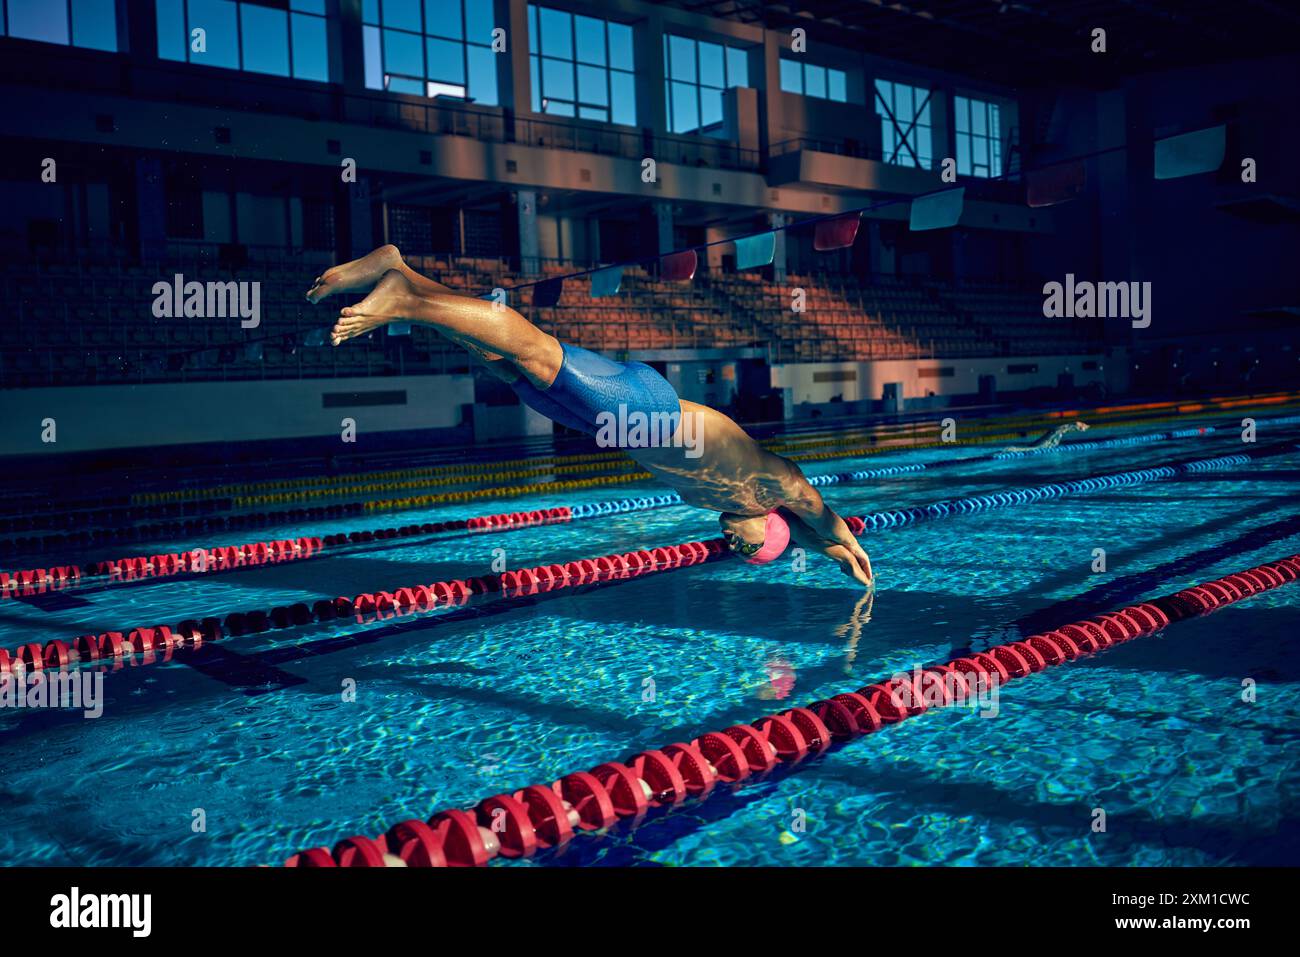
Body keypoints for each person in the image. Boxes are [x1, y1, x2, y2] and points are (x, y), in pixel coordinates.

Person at [307, 245, 873, 587]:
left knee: (506, 366)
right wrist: (850, 550)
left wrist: (827, 553)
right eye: (749, 549)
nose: (735, 547)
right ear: (770, 523)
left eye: (740, 554)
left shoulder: (715, 501)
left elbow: (802, 538)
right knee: (534, 351)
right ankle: (404, 299)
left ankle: (401, 273)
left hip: (609, 429)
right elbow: (819, 520)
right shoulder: (771, 483)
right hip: (653, 411)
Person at [1002, 420, 1089, 453]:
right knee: (1032, 448)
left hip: (1049, 437)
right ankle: (1011, 449)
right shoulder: (1057, 434)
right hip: (1046, 441)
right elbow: (1057, 431)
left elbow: (1059, 430)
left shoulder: (1058, 434)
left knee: (1032, 446)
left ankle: (1076, 425)